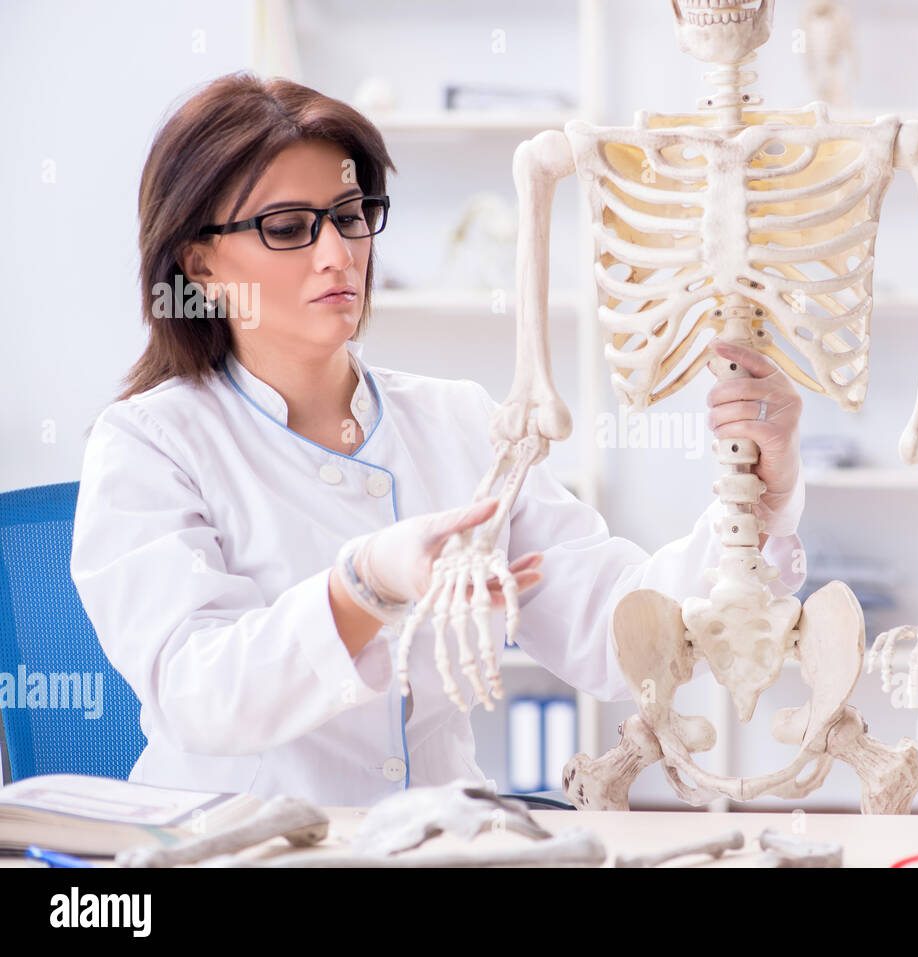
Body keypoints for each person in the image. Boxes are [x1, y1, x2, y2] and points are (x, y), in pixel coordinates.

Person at [70, 72, 808, 807]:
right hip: (237, 843)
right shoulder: (150, 444)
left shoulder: (457, 420)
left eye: (350, 216)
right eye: (289, 228)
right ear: (200, 264)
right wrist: (360, 587)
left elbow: (617, 637)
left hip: (442, 838)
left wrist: (755, 504)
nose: (338, 255)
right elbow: (200, 691)